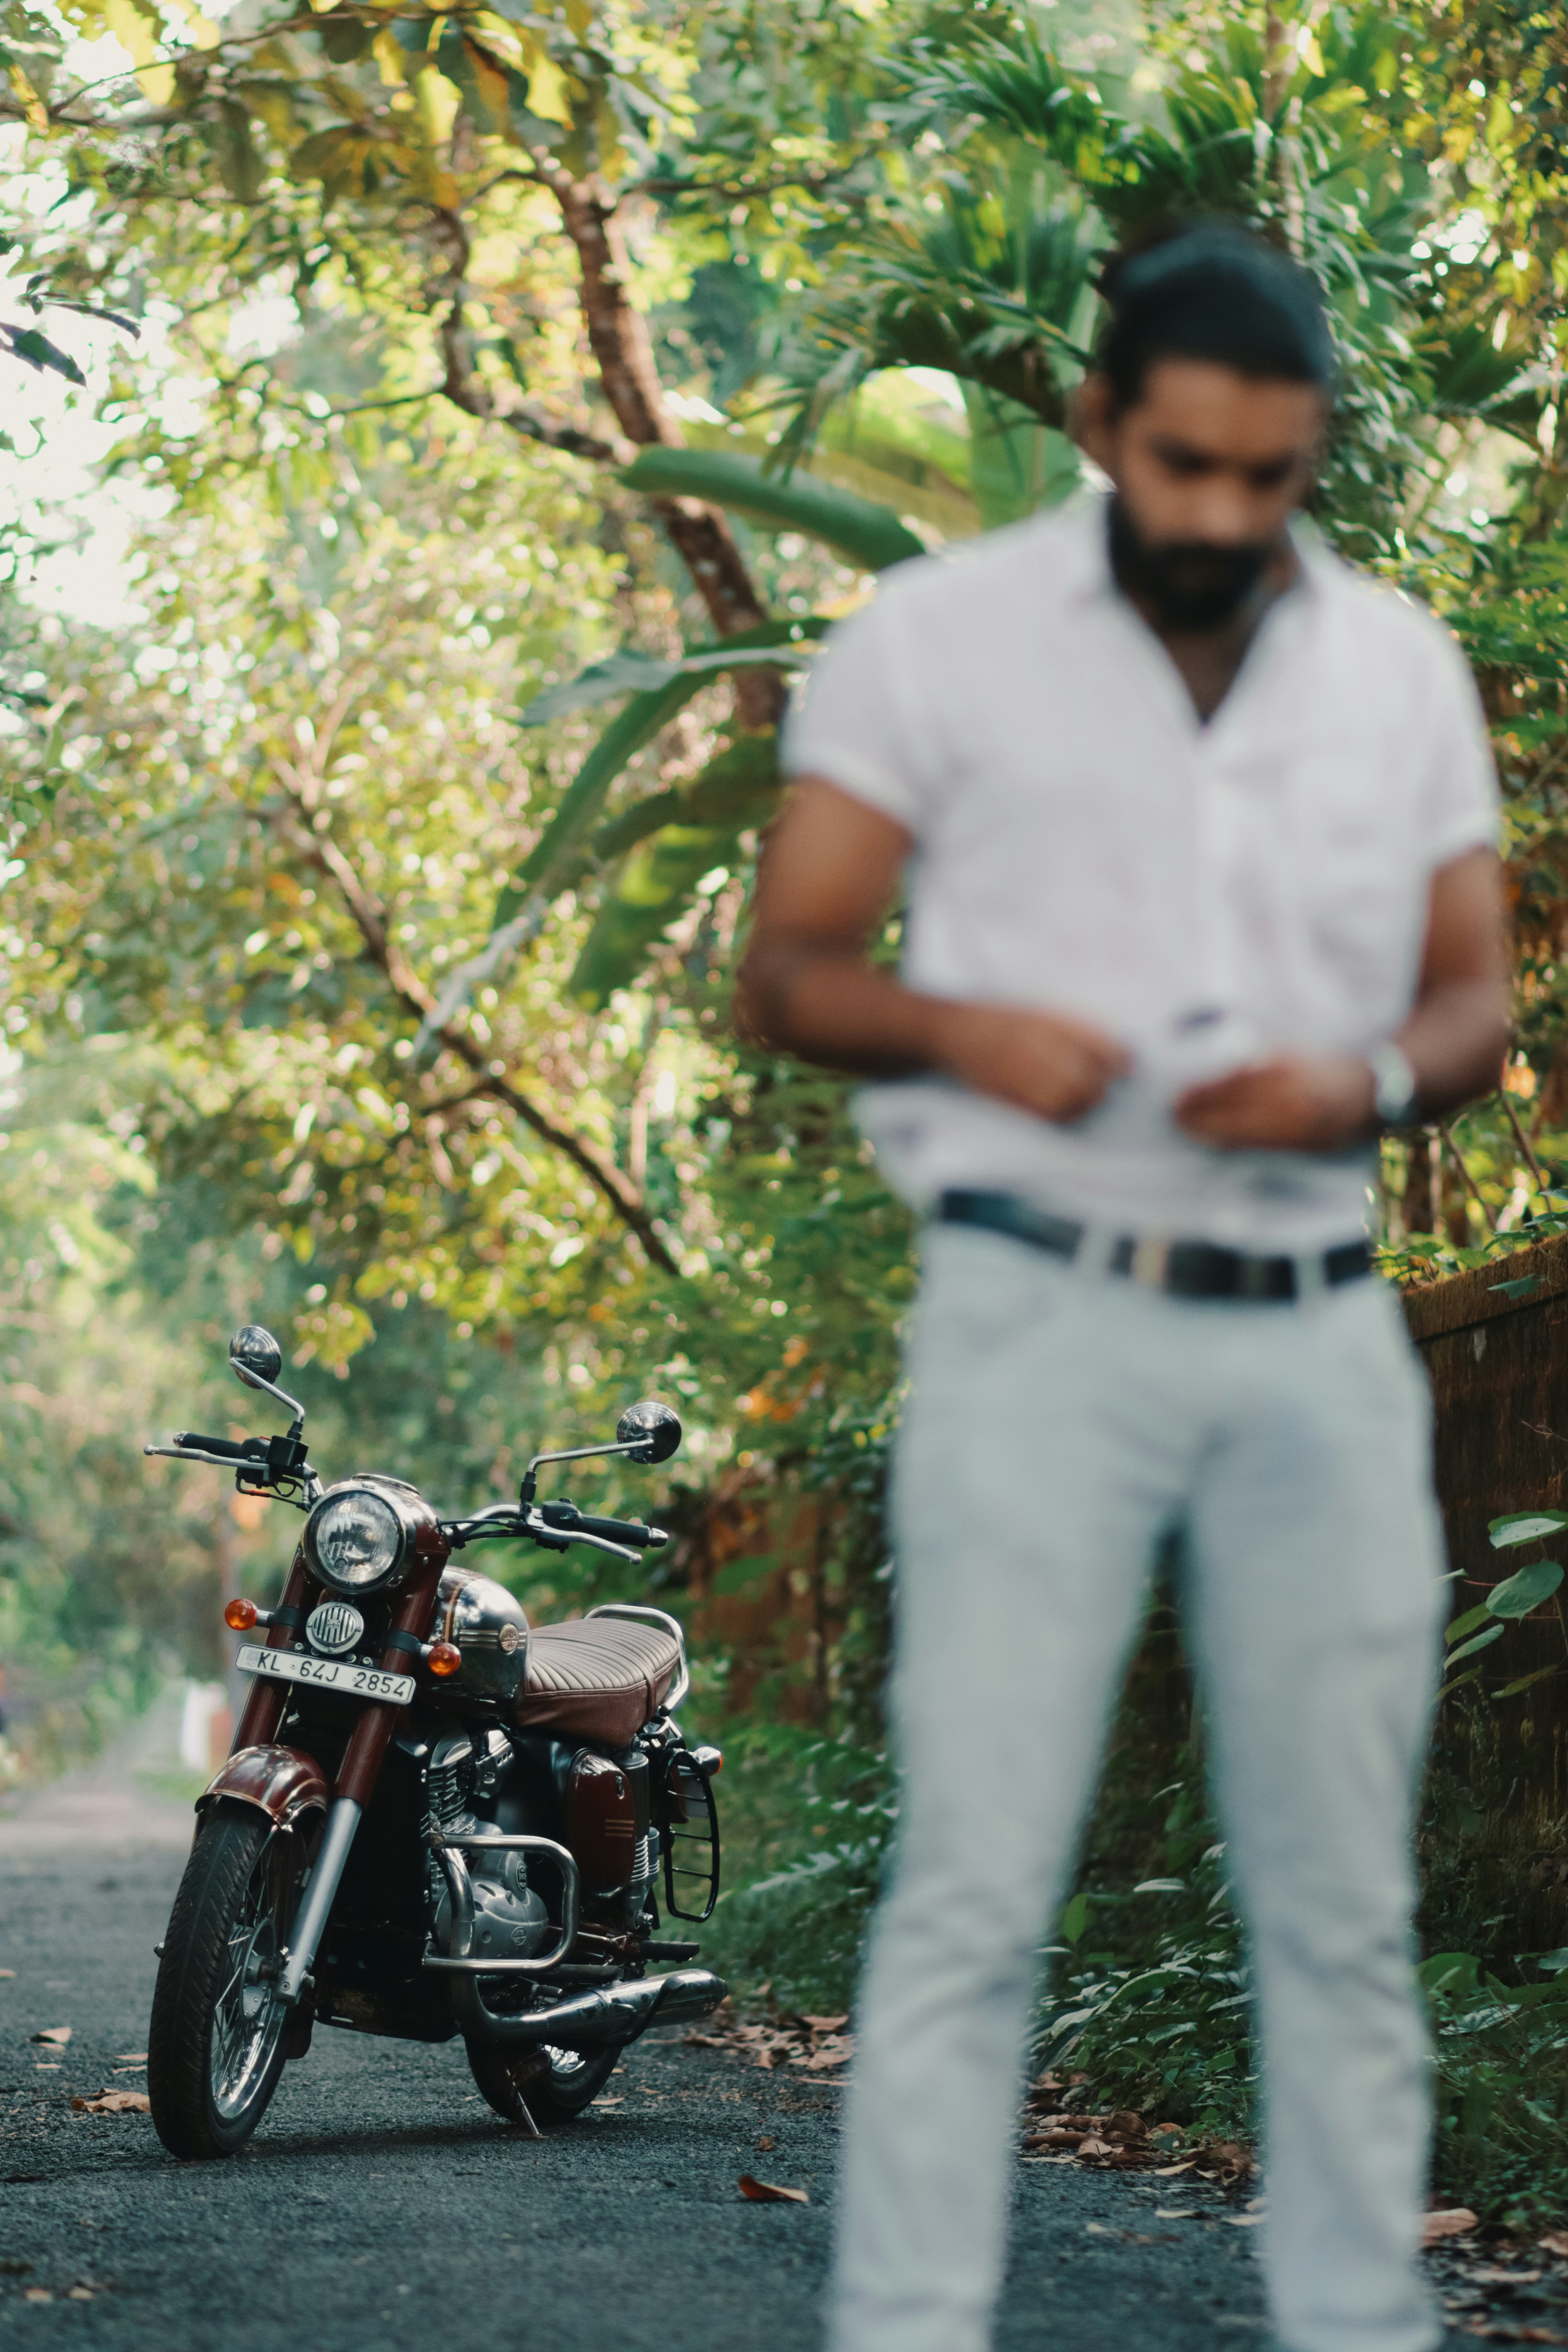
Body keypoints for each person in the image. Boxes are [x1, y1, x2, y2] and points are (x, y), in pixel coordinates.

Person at [737, 221, 1510, 2352]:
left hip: (1320, 1332)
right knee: (978, 1890)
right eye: (1186, 470)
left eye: (1272, 479)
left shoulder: (1398, 668)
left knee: (1345, 1913)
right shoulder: (936, 642)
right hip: (1035, 1322)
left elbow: (1472, 1014)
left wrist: (1349, 1080)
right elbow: (786, 970)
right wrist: (971, 1034)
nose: (1227, 520)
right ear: (1097, 425)